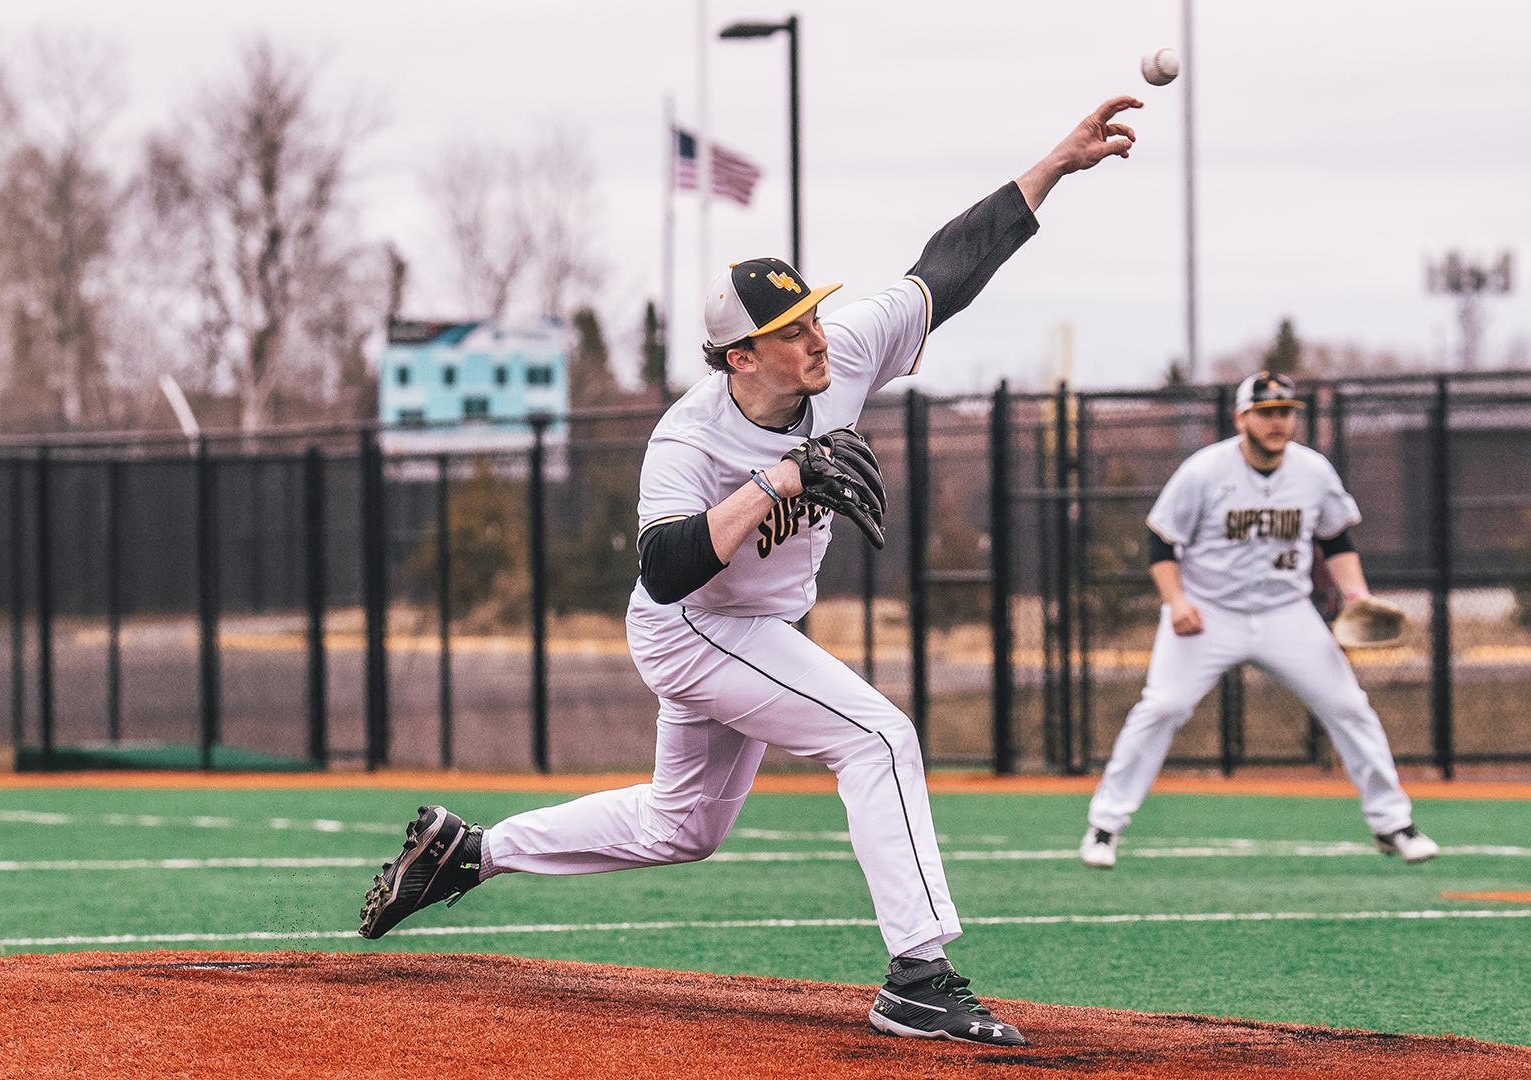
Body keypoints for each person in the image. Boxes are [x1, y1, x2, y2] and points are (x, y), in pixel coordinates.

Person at [358, 95, 1145, 1046]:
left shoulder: (842, 354)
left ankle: (470, 853)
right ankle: (918, 975)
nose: (817, 337)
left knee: (680, 829)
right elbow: (664, 567)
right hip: (691, 627)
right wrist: (780, 478)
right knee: (878, 737)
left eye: (813, 315)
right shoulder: (687, 437)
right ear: (741, 356)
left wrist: (1053, 165)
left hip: (756, 626)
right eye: (792, 329)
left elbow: (948, 268)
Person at [1078, 371, 1441, 870]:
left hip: (1285, 612)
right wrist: (1176, 601)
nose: (1277, 422)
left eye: (1285, 412)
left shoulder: (1312, 471)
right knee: (1163, 706)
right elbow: (1160, 542)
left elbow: (1335, 538)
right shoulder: (1204, 471)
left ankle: (1393, 823)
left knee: (1348, 706)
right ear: (1241, 418)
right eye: (1266, 412)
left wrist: (1356, 595)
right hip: (1209, 611)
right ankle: (1104, 826)